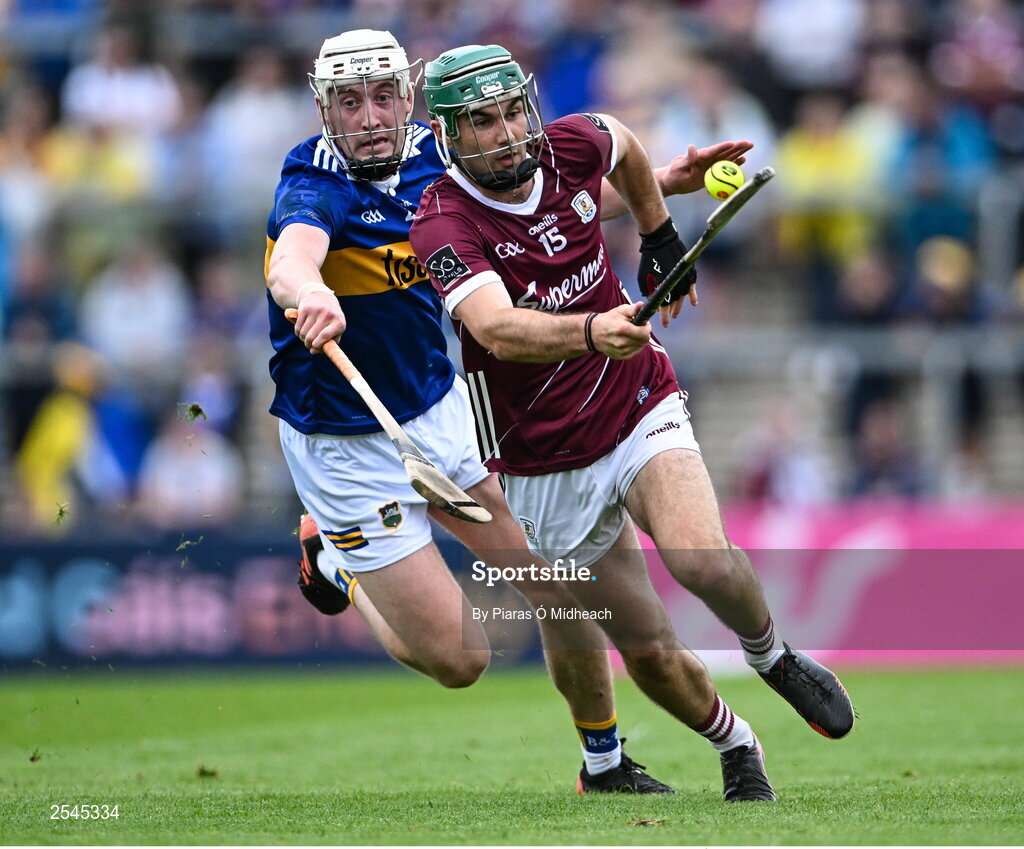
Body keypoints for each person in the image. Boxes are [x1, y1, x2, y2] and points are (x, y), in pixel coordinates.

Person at [266, 29, 753, 796]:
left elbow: (554, 204)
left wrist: (667, 182)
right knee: (461, 660)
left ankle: (605, 761)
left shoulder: (444, 149)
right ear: (325, 107)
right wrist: (312, 291)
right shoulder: (314, 179)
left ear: (410, 95)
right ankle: (337, 558)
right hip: (345, 440)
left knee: (557, 580)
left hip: (438, 412)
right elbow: (291, 256)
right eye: (349, 101)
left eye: (383, 96)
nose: (368, 116)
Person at [409, 43, 857, 802]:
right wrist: (590, 328)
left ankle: (773, 654)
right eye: (483, 121)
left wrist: (658, 235)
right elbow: (495, 329)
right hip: (542, 458)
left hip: (635, 397)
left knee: (700, 558)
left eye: (515, 109)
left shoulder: (571, 143)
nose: (509, 130)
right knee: (648, 649)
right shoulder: (443, 222)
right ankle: (735, 740)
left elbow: (625, 144)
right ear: (450, 133)